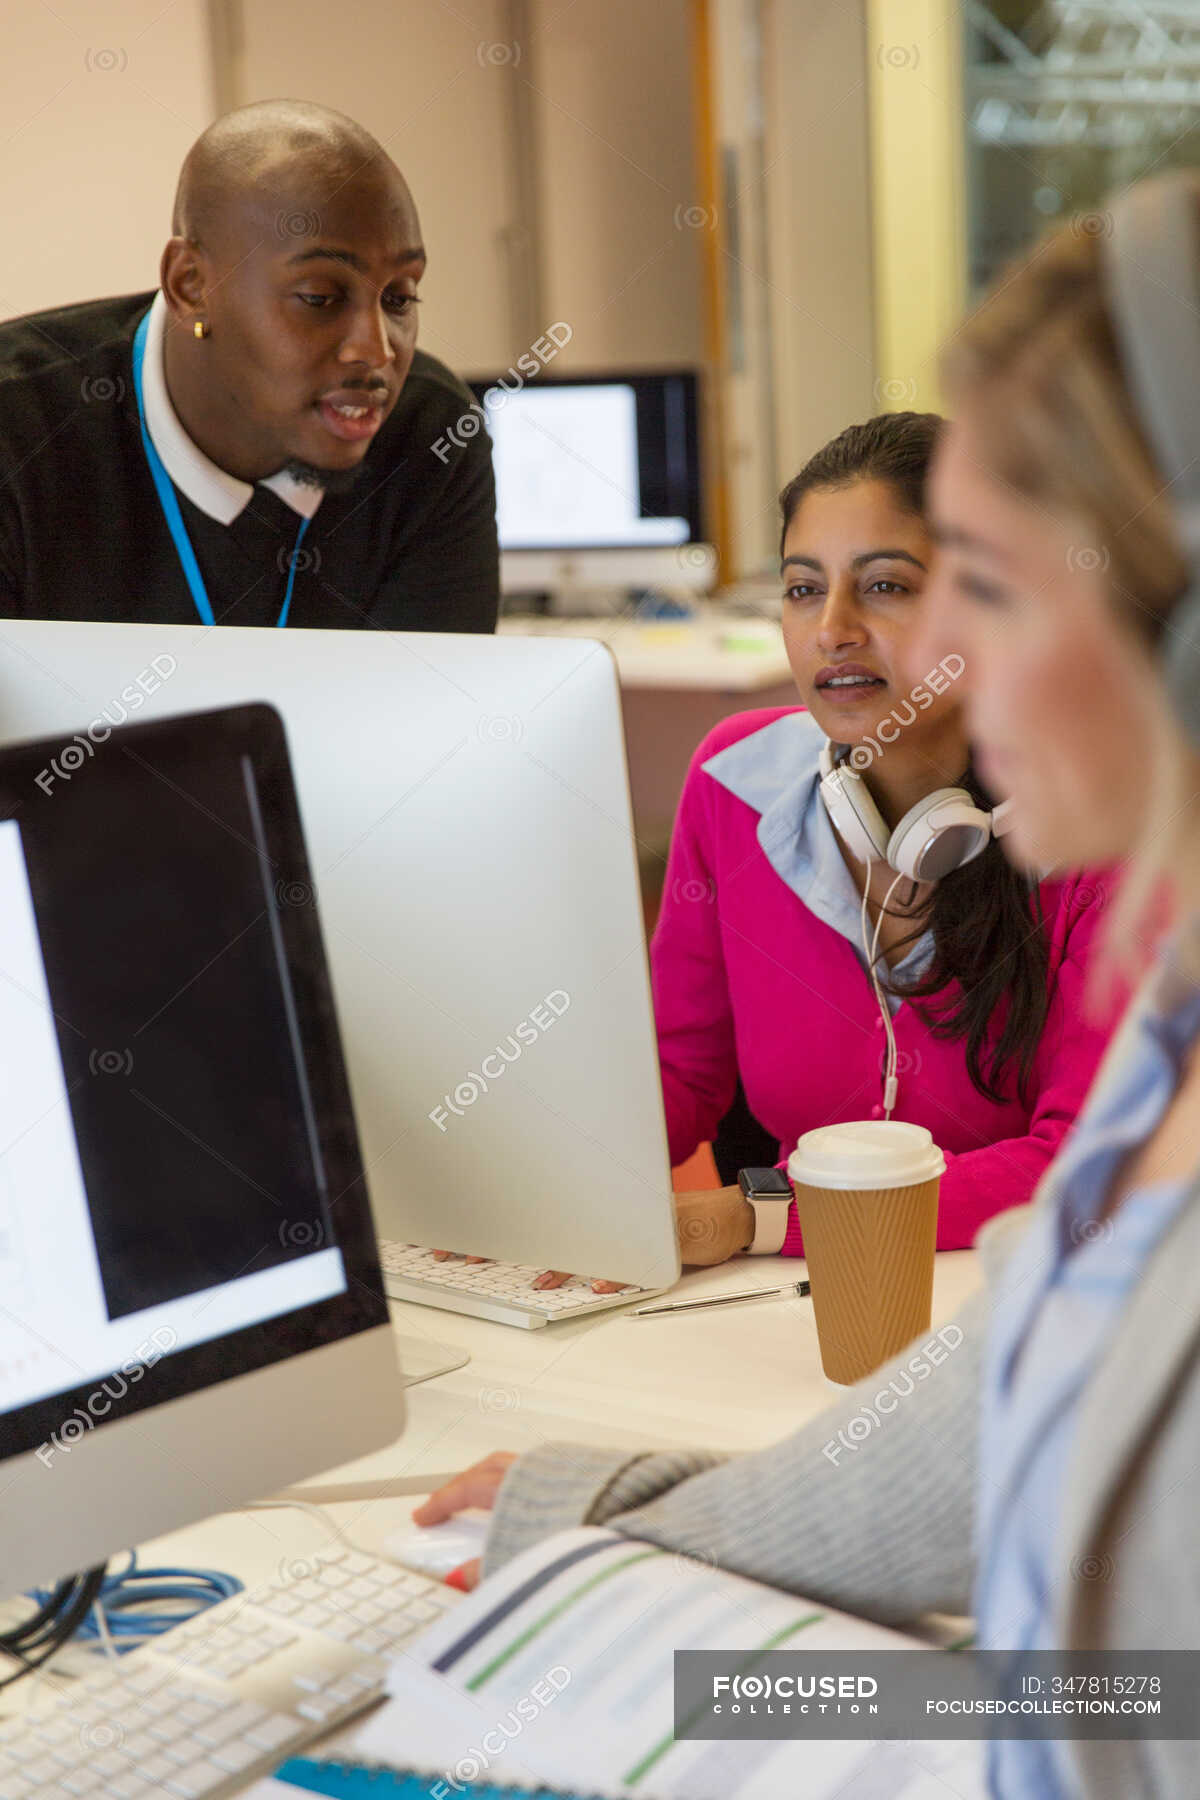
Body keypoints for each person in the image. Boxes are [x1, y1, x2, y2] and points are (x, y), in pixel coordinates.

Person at [414, 170, 1200, 1799]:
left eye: (971, 578)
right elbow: (993, 1440)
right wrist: (609, 1522)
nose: (886, 650)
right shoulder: (1170, 1031)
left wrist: (721, 1685)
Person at [660, 412, 1119, 1266]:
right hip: (803, 1308)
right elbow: (680, 1069)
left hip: (1014, 1301)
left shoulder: (1098, 828)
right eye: (802, 589)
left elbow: (1083, 1166)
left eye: (885, 586)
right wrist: (557, 1177)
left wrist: (762, 1216)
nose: (832, 627)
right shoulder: (736, 780)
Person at [0, 100, 498, 630]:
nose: (376, 351)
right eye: (321, 297)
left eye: (399, 297)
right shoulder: (18, 427)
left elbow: (432, 709)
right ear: (191, 285)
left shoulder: (432, 437)